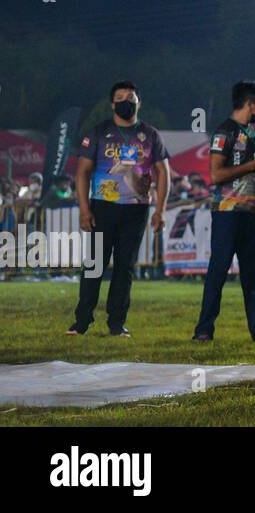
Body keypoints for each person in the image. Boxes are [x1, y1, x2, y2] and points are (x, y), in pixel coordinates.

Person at [67, 80, 171, 337]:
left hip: (136, 209)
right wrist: (83, 208)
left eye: (131, 97)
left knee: (125, 268)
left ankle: (116, 323)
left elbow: (163, 172)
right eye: (121, 97)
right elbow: (82, 172)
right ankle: (82, 321)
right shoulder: (99, 132)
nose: (126, 100)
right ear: (112, 104)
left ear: (139, 103)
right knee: (94, 265)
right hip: (102, 208)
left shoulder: (151, 134)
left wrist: (161, 209)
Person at [193, 81, 255, 343]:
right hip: (227, 212)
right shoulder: (224, 132)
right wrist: (251, 165)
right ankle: (204, 330)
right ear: (251, 103)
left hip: (254, 213)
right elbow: (215, 174)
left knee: (253, 276)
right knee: (218, 270)